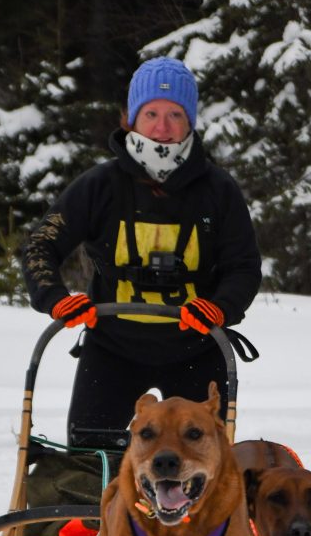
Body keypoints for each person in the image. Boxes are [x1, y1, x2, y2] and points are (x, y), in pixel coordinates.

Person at [20, 56, 262, 447]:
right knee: (91, 466)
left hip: (196, 349)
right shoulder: (99, 185)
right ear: (131, 118)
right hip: (112, 348)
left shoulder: (218, 191)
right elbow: (41, 245)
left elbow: (244, 267)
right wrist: (55, 300)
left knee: (200, 469)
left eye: (174, 115)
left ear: (190, 123)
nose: (162, 128)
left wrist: (221, 307)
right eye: (151, 113)